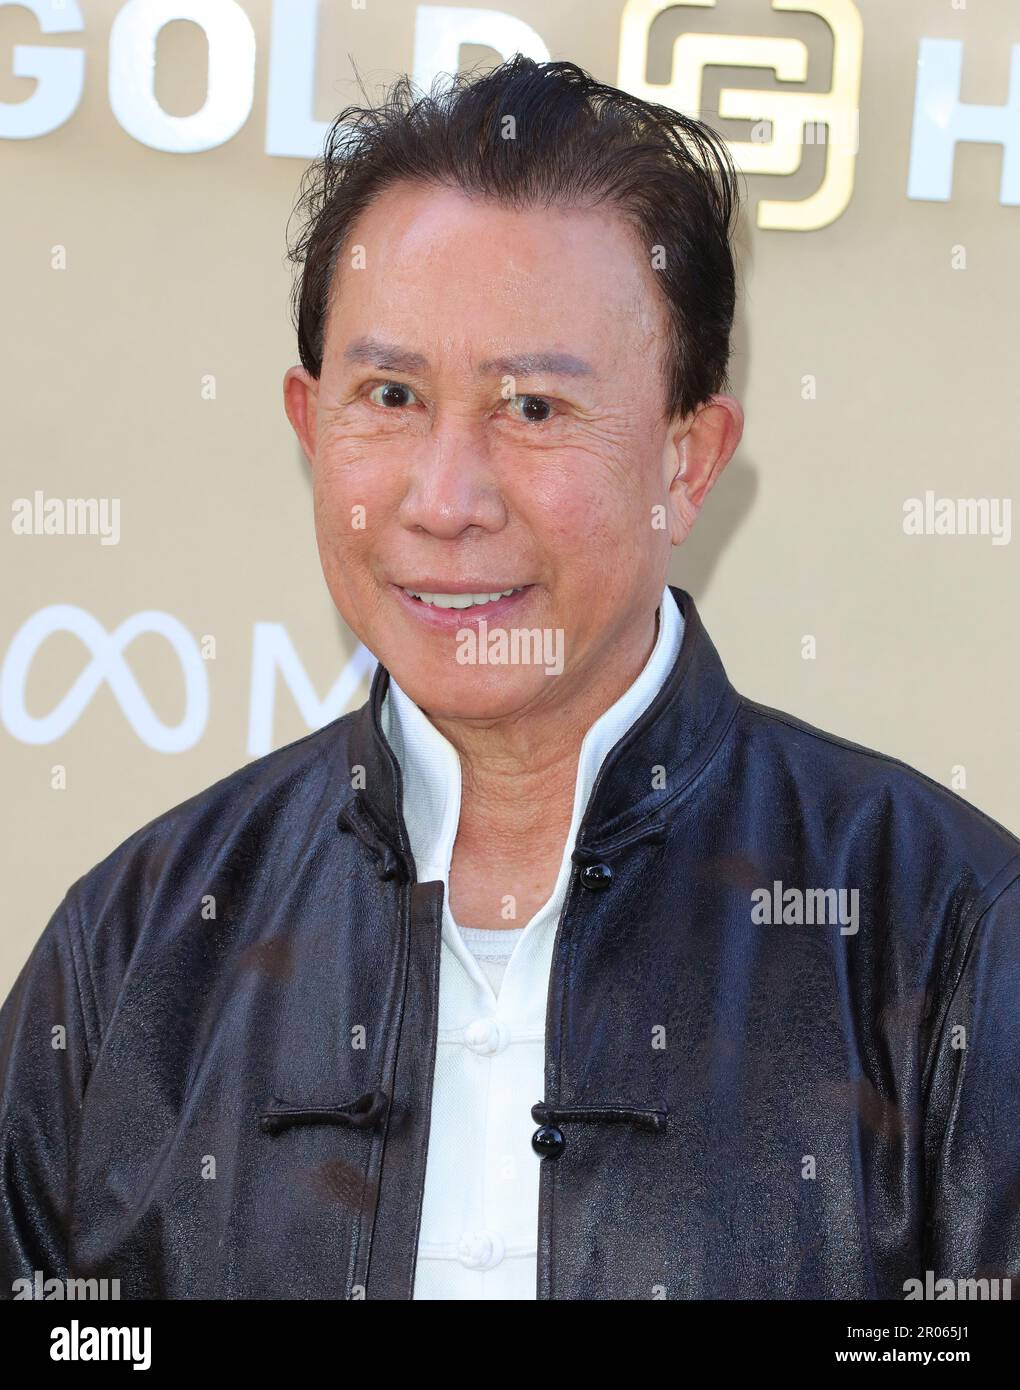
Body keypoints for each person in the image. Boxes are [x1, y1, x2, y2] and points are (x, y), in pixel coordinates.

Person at [2, 57, 1018, 1302]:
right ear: (310, 423)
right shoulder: (132, 949)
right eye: (389, 396)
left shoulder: (956, 937)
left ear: (688, 464)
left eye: (534, 409)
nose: (446, 501)